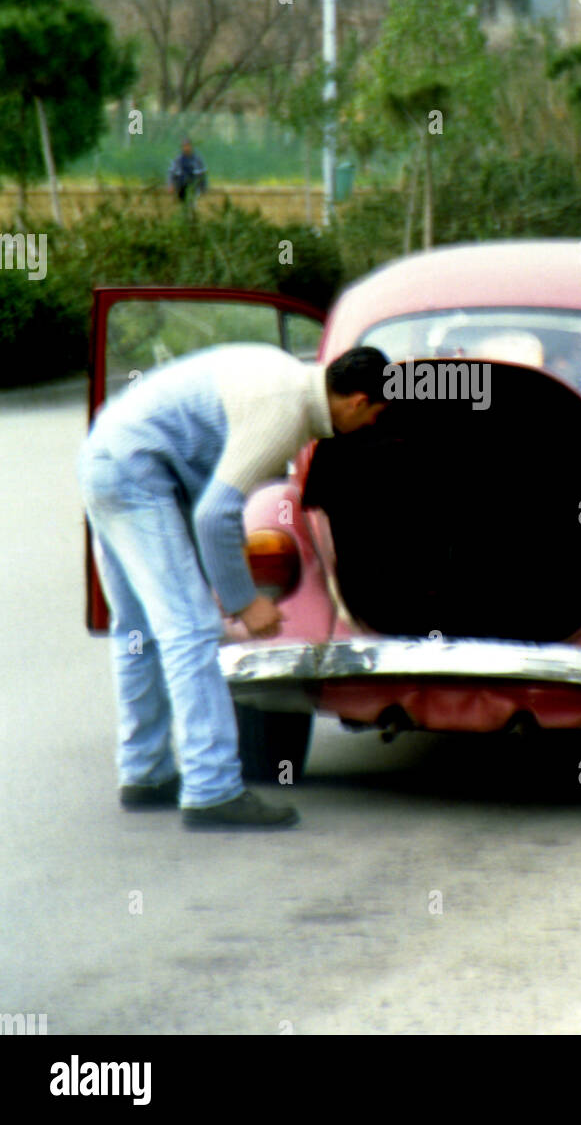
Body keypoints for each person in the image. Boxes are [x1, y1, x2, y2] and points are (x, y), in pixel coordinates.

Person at [77, 344, 389, 829]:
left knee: (137, 629)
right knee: (192, 627)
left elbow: (215, 502)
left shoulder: (289, 380)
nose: (371, 427)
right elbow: (215, 513)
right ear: (356, 402)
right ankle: (212, 791)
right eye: (375, 416)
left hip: (104, 456)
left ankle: (146, 773)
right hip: (138, 470)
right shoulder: (287, 409)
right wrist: (246, 603)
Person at [168, 138, 207, 207]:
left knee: (192, 204)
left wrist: (203, 188)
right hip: (181, 187)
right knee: (182, 205)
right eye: (184, 146)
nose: (186, 148)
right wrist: (171, 185)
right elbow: (172, 173)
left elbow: (202, 174)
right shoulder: (178, 160)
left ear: (191, 147)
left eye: (188, 146)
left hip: (194, 188)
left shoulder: (197, 160)